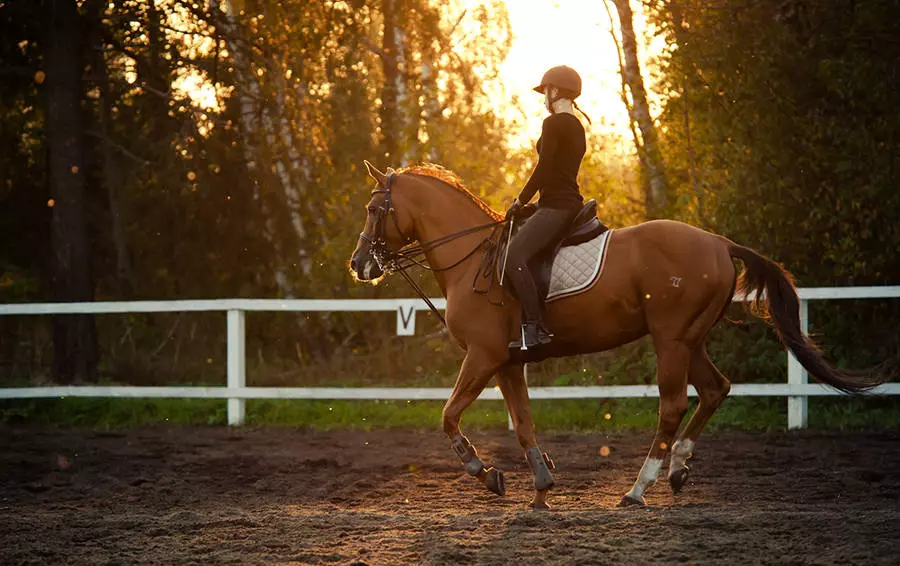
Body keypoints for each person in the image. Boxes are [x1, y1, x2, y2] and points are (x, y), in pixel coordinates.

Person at [505, 65, 588, 352]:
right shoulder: (576, 124)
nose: (543, 98)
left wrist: (520, 200)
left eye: (545, 92)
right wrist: (535, 205)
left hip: (557, 206)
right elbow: (560, 175)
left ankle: (533, 328)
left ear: (555, 90)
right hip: (561, 202)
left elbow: (544, 169)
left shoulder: (553, 124)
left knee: (514, 254)